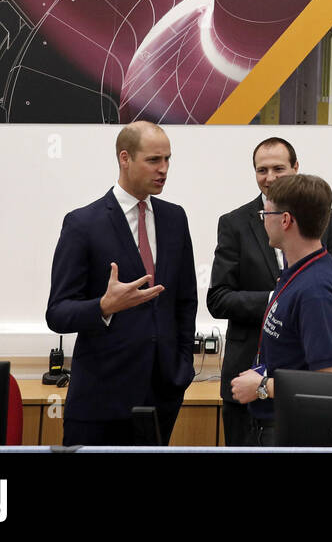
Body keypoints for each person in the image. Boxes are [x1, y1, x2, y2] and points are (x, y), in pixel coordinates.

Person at [46, 121, 197, 445]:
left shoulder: (175, 218)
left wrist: (183, 366)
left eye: (168, 159)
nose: (164, 169)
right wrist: (103, 306)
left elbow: (185, 300)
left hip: (163, 393)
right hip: (102, 396)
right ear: (125, 158)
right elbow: (57, 312)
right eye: (154, 160)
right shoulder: (83, 223)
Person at [209, 137, 332, 447]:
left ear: (285, 220)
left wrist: (263, 387)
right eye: (262, 170)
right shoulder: (295, 276)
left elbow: (327, 384)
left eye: (267, 216)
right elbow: (219, 297)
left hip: (284, 414)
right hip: (260, 401)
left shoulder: (314, 289)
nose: (269, 179)